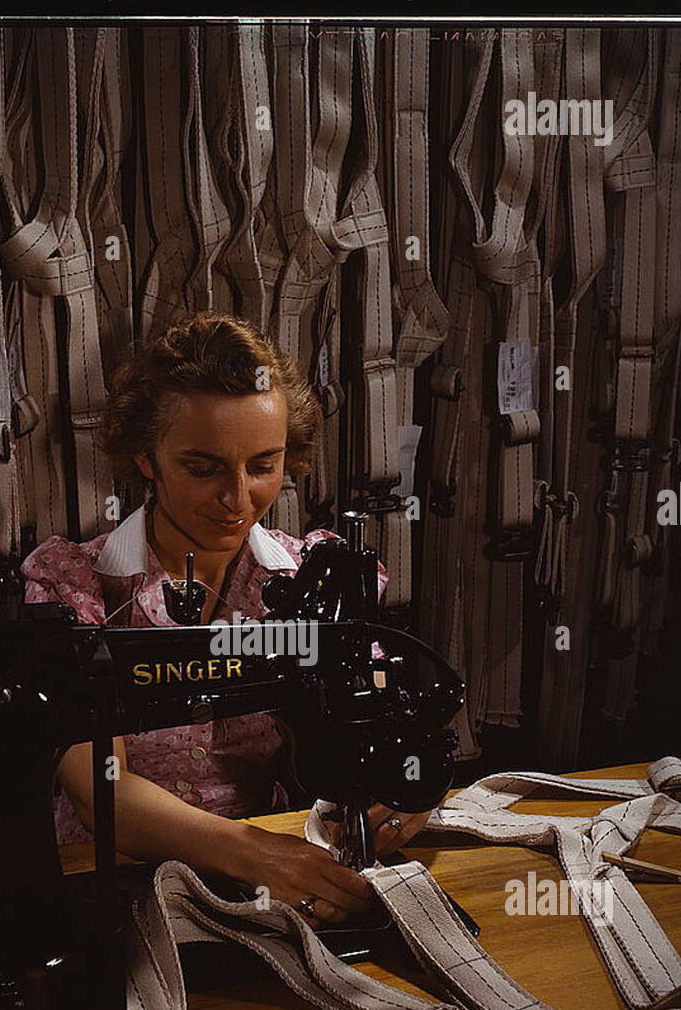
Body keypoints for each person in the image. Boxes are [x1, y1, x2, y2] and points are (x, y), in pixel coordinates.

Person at [22, 313, 433, 926]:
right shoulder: (73, 586)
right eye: (203, 468)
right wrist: (254, 856)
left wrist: (403, 791)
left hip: (281, 865)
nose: (238, 499)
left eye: (263, 465)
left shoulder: (311, 579)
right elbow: (102, 794)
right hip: (106, 874)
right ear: (143, 456)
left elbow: (379, 718)